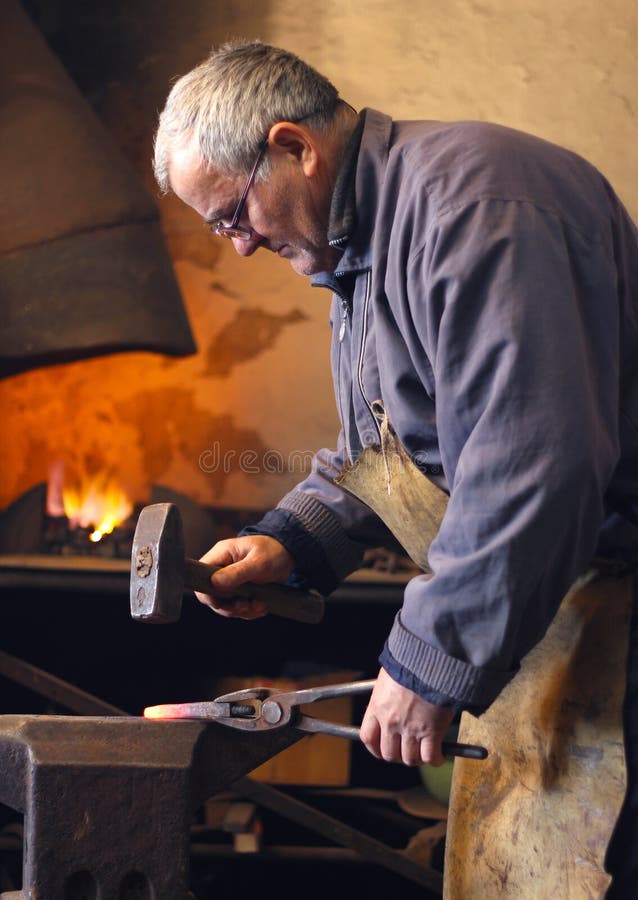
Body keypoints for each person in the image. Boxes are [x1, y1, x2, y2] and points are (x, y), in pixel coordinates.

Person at [154, 41, 638, 891]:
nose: (236, 247)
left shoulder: (476, 208)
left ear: (294, 147)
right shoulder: (368, 248)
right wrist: (292, 544)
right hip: (567, 602)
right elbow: (393, 446)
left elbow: (534, 465)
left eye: (233, 215)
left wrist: (426, 660)